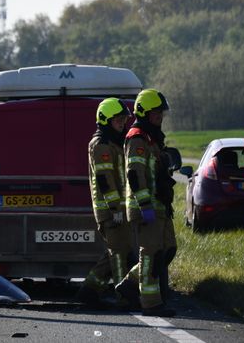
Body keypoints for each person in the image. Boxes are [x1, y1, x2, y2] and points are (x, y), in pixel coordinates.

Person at [114, 89, 177, 317]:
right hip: (146, 206)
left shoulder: (152, 138)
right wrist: (145, 206)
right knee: (151, 254)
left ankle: (129, 284)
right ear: (144, 113)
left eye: (161, 112)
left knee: (168, 249)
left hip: (159, 205)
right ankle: (150, 304)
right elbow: (134, 173)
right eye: (155, 112)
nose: (160, 116)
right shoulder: (137, 137)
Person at [76, 98, 136, 310]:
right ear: (105, 120)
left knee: (115, 250)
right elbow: (104, 178)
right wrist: (115, 209)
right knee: (119, 253)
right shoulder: (101, 144)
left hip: (118, 208)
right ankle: (124, 297)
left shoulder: (113, 142)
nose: (122, 124)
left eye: (123, 120)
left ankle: (89, 290)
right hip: (112, 211)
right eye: (118, 120)